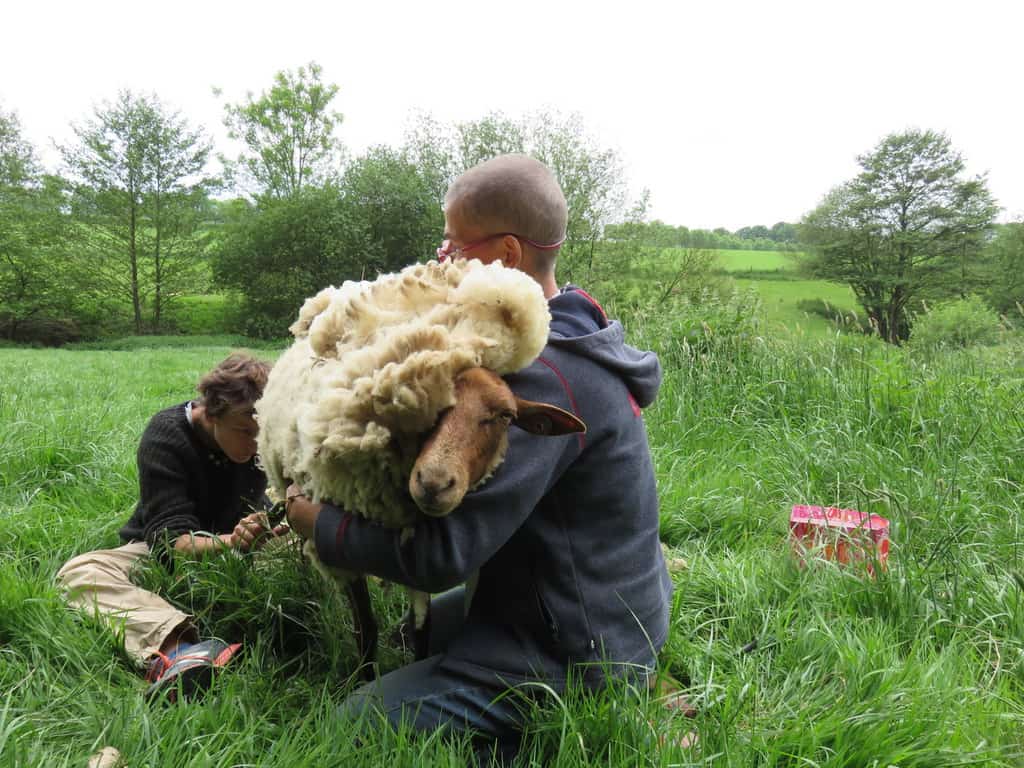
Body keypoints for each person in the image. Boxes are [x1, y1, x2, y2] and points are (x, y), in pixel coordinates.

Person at [285, 154, 672, 759]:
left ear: (509, 256)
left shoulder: (538, 379)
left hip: (576, 652)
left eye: (453, 243)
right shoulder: (572, 325)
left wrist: (320, 523)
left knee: (348, 729)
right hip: (604, 611)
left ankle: (558, 729)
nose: (443, 257)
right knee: (434, 625)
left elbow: (445, 554)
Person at [56, 353, 286, 702]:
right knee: (81, 573)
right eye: (245, 431)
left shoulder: (267, 437)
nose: (257, 445)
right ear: (211, 413)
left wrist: (274, 526)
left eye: (265, 432)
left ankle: (286, 636)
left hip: (244, 551)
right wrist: (233, 542)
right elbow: (169, 541)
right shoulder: (167, 435)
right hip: (167, 555)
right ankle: (182, 653)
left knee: (315, 542)